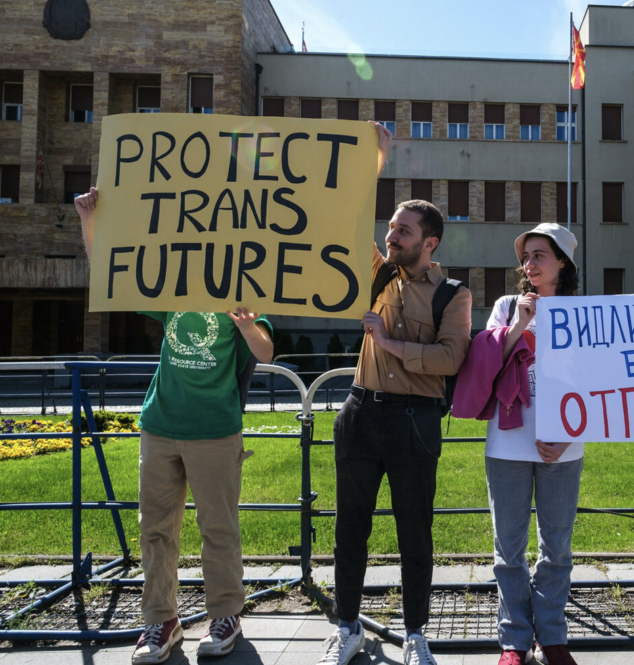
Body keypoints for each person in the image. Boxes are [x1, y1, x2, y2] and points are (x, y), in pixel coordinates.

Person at [74, 189, 275, 664]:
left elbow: (265, 351)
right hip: (160, 424)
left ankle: (225, 615)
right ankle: (160, 622)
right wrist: (89, 221)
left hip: (216, 430)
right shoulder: (172, 285)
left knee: (218, 528)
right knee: (155, 530)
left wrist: (247, 326)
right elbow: (113, 276)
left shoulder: (243, 288)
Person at [317, 146, 473, 664]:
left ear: (429, 242)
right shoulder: (377, 275)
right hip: (360, 414)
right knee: (349, 529)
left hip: (415, 422)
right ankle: (347, 627)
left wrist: (389, 344)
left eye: (403, 231)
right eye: (391, 227)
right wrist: (373, 160)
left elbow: (451, 359)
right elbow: (344, 220)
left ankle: (415, 634)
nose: (391, 235)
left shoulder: (454, 294)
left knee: (415, 532)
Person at [483, 224, 584, 665]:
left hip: (564, 446)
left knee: (557, 546)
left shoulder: (584, 313)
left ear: (563, 261)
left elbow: (597, 383)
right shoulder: (507, 306)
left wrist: (570, 436)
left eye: (540, 255)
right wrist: (519, 323)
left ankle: (553, 636)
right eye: (526, 256)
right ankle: (514, 641)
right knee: (508, 549)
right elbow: (485, 363)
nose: (530, 264)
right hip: (507, 442)